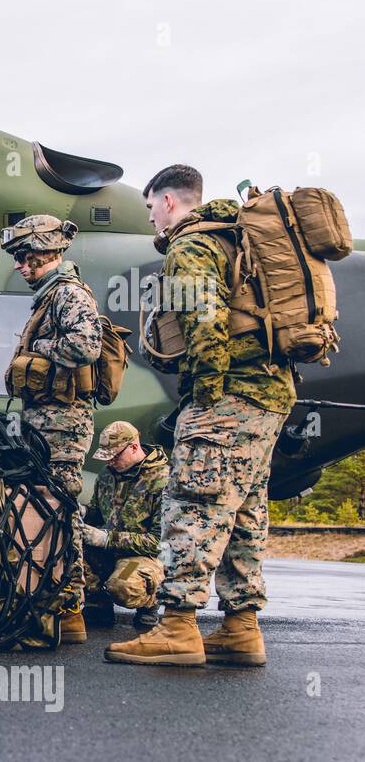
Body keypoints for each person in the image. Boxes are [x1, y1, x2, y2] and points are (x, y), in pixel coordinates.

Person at [107, 165, 295, 667]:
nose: (150, 219)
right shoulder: (237, 238)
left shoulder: (192, 245)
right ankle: (240, 627)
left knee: (193, 502)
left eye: (150, 208)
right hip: (269, 397)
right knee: (244, 513)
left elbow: (205, 321)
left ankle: (177, 627)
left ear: (169, 202)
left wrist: (202, 398)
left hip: (226, 401)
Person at [0, 214, 103, 644]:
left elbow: (86, 344)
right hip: (47, 424)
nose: (20, 266)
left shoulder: (68, 295)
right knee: (51, 510)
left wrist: (37, 347)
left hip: (63, 425)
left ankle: (70, 608)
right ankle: (62, 606)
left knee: (61, 511)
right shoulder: (49, 296)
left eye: (24, 258)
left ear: (45, 252)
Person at [82, 421, 168, 631]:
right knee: (67, 557)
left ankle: (150, 603)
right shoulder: (107, 475)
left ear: (134, 447)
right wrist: (82, 513)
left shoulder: (163, 481)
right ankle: (97, 605)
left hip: (139, 558)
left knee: (122, 586)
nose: (110, 461)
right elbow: (96, 512)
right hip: (107, 552)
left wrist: (106, 538)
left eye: (115, 455)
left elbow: (159, 542)